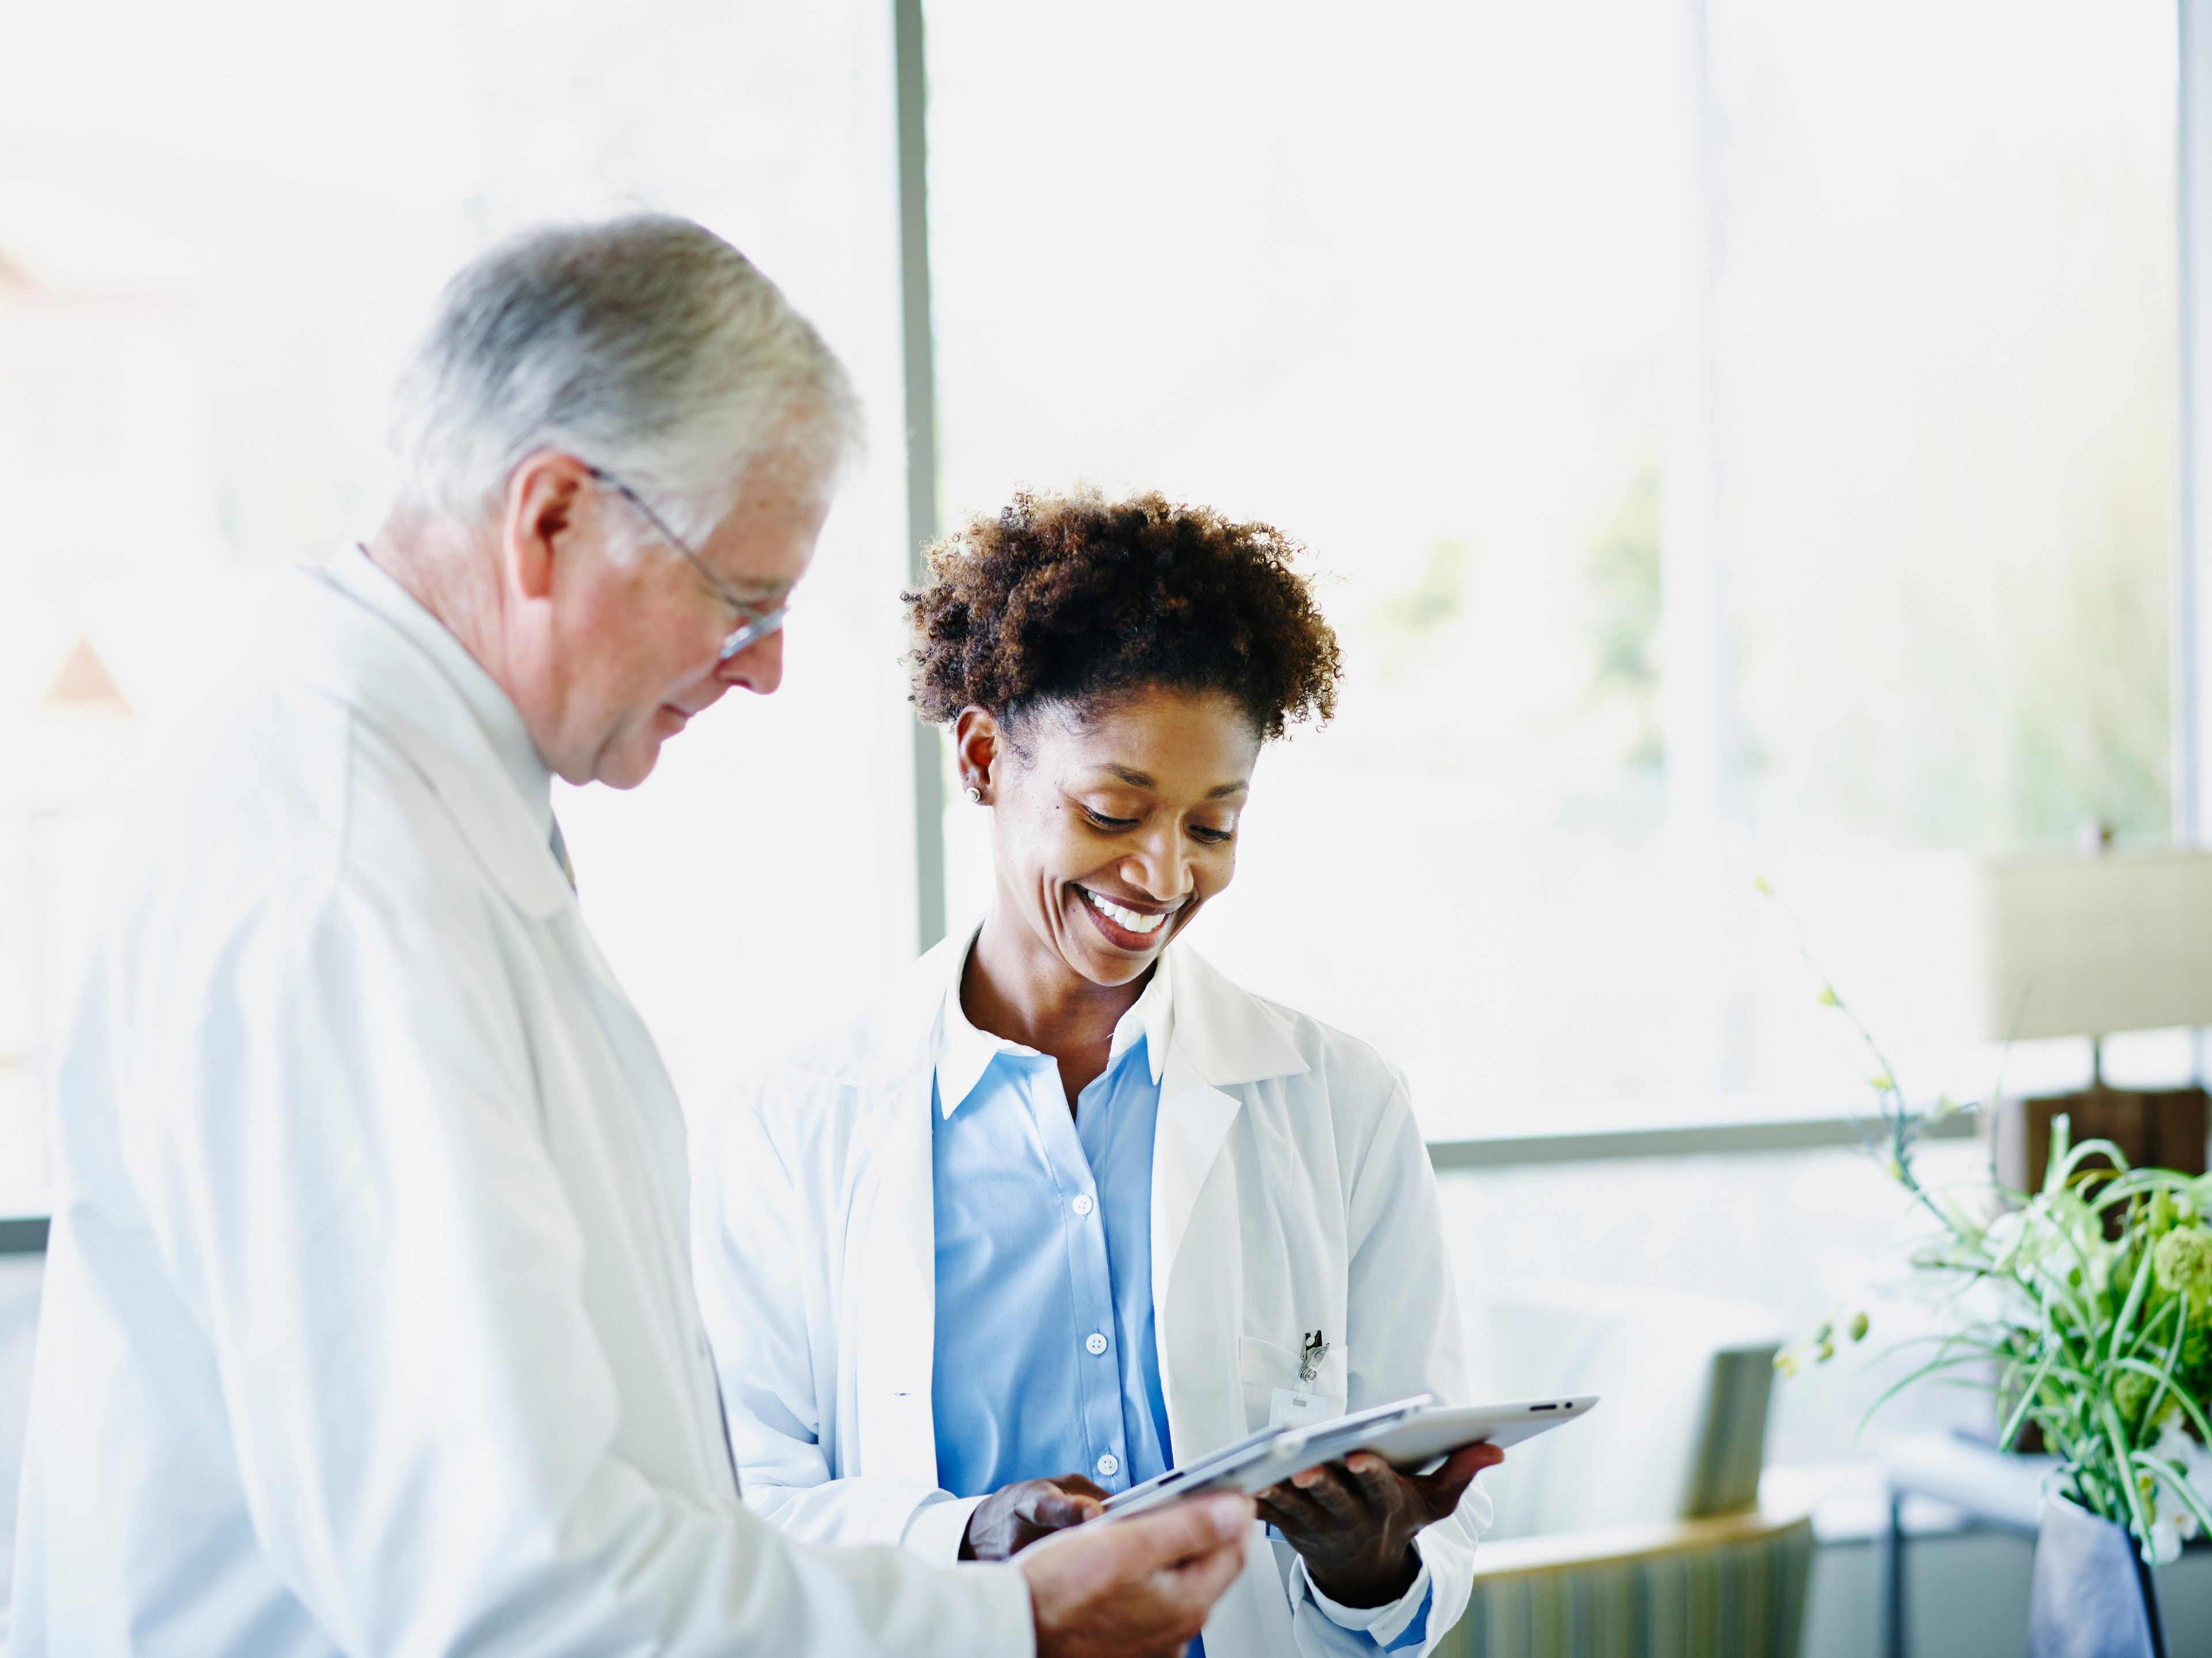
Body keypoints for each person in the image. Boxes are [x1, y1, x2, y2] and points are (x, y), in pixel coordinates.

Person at [8, 219, 1251, 1658]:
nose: (772, 667)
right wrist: (1001, 1620)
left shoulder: (417, 813)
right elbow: (514, 1588)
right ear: (549, 521)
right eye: (743, 600)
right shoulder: (348, 881)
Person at [691, 490, 1498, 1658]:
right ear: (980, 757)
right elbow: (745, 1499)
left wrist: (1371, 1567)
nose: (1163, 873)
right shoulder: (795, 1122)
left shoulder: (1339, 1101)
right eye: (1114, 808)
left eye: (1213, 824)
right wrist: (965, 1532)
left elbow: (1433, 1521)